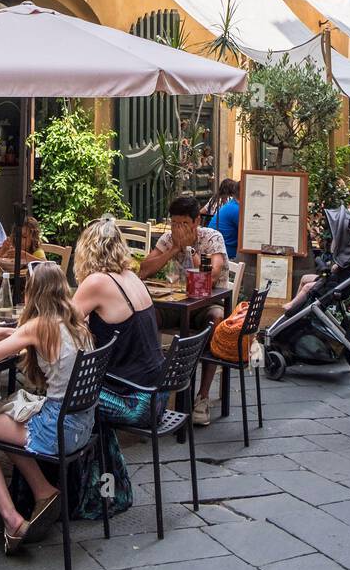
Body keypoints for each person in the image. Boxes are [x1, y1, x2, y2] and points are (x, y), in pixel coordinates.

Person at [0, 262, 95, 553]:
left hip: (56, 430)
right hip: (82, 426)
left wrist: (2, 340)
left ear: (33, 292)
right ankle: (43, 490)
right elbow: (36, 341)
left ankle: (12, 520)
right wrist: (9, 336)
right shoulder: (77, 322)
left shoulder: (39, 326)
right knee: (8, 417)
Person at [139, 193, 228, 426]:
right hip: (175, 303)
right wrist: (172, 249)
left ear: (196, 221)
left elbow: (214, 274)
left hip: (206, 303)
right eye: (175, 223)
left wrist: (188, 249)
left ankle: (203, 396)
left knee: (215, 322)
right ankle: (151, 385)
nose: (178, 228)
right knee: (146, 317)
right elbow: (144, 269)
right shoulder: (168, 240)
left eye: (184, 224)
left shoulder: (212, 237)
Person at [72, 216, 166, 423]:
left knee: (65, 394)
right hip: (157, 393)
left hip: (134, 401)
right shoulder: (131, 277)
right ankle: (103, 455)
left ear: (86, 251)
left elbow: (58, 326)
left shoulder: (97, 282)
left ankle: (67, 452)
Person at [205, 180, 240, 260]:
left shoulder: (215, 199)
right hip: (225, 256)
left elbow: (202, 211)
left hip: (213, 250)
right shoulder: (236, 209)